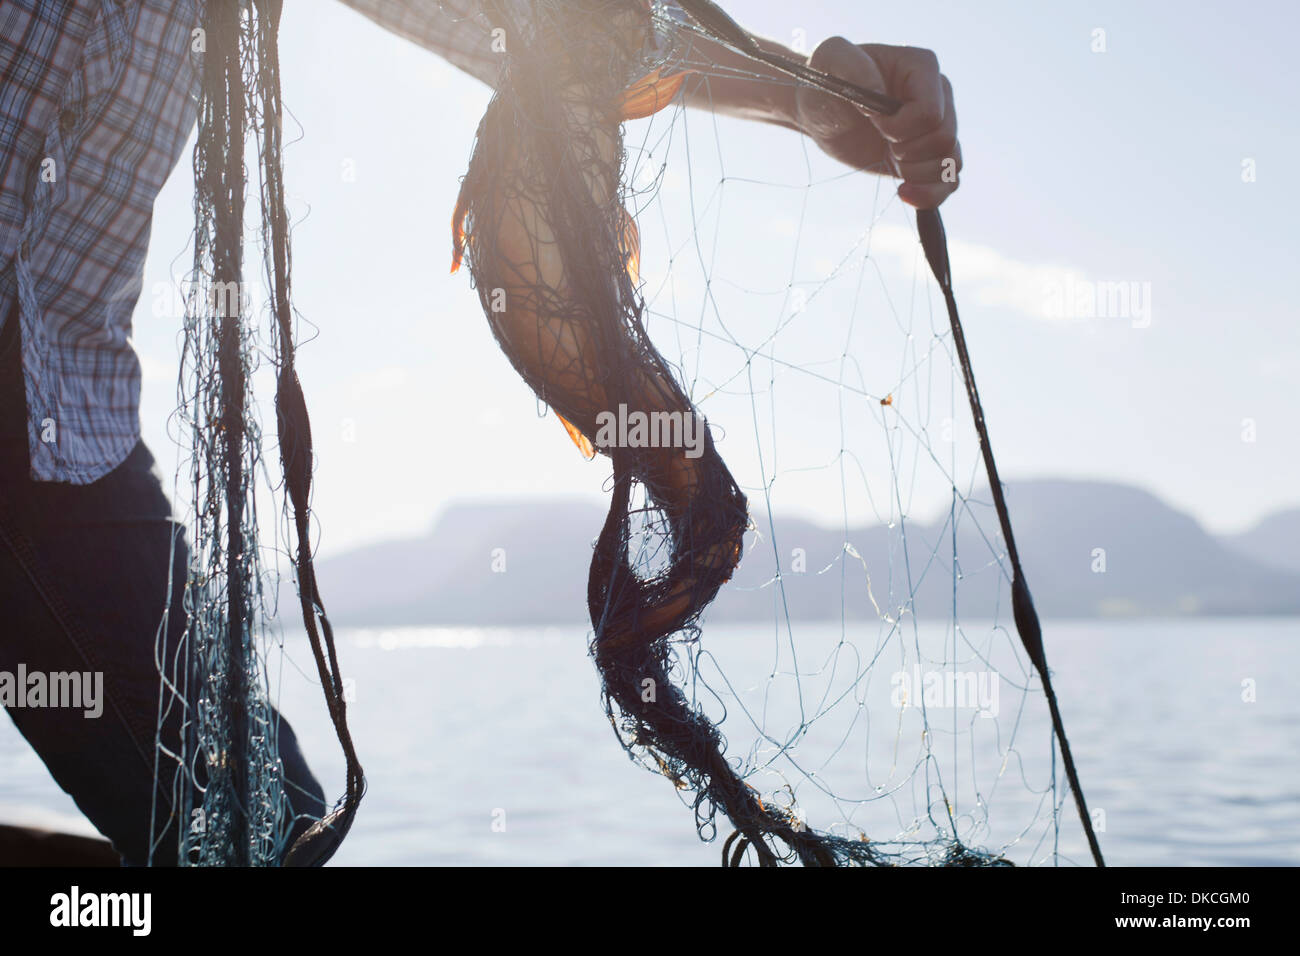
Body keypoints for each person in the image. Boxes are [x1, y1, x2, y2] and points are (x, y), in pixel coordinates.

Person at [0, 0, 961, 866]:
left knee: (257, 826)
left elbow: (563, 24)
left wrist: (812, 95)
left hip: (61, 431)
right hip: (59, 419)